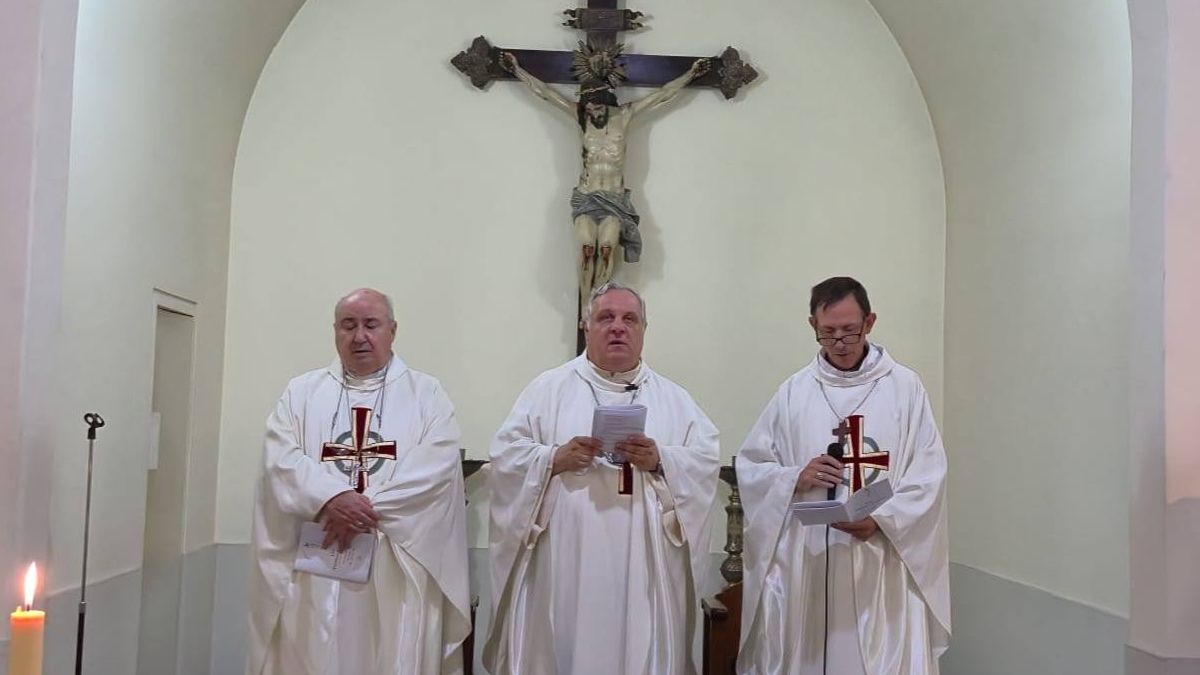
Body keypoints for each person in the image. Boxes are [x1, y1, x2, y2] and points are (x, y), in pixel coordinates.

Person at [483, 282, 720, 674]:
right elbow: (505, 456)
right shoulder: (548, 390)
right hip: (566, 560)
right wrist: (552, 458)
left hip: (643, 561)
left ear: (644, 329)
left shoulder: (675, 400)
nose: (617, 327)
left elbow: (704, 462)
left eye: (629, 319)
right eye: (605, 318)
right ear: (585, 325)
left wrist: (662, 458)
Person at [245, 288, 470, 675]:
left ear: (392, 330)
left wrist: (359, 509)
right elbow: (279, 458)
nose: (359, 336)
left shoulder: (426, 393)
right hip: (319, 566)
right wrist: (331, 498)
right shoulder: (302, 392)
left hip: (395, 560)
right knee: (317, 654)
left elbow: (436, 465)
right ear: (335, 332)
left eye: (371, 325)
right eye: (348, 325)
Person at [736, 277, 950, 674]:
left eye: (849, 330)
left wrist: (883, 519)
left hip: (881, 560)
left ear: (869, 322)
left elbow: (929, 473)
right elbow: (751, 467)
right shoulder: (793, 392)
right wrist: (795, 477)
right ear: (812, 326)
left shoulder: (904, 388)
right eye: (827, 332)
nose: (839, 341)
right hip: (809, 560)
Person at [501, 49, 711, 313]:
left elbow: (662, 95)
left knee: (607, 249)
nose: (593, 113)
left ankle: (597, 305)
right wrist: (516, 70)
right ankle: (586, 308)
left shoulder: (623, 116)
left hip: (614, 201)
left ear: (606, 102)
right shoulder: (580, 116)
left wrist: (690, 74)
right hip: (587, 196)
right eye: (589, 108)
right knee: (588, 248)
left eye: (597, 107)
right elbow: (545, 93)